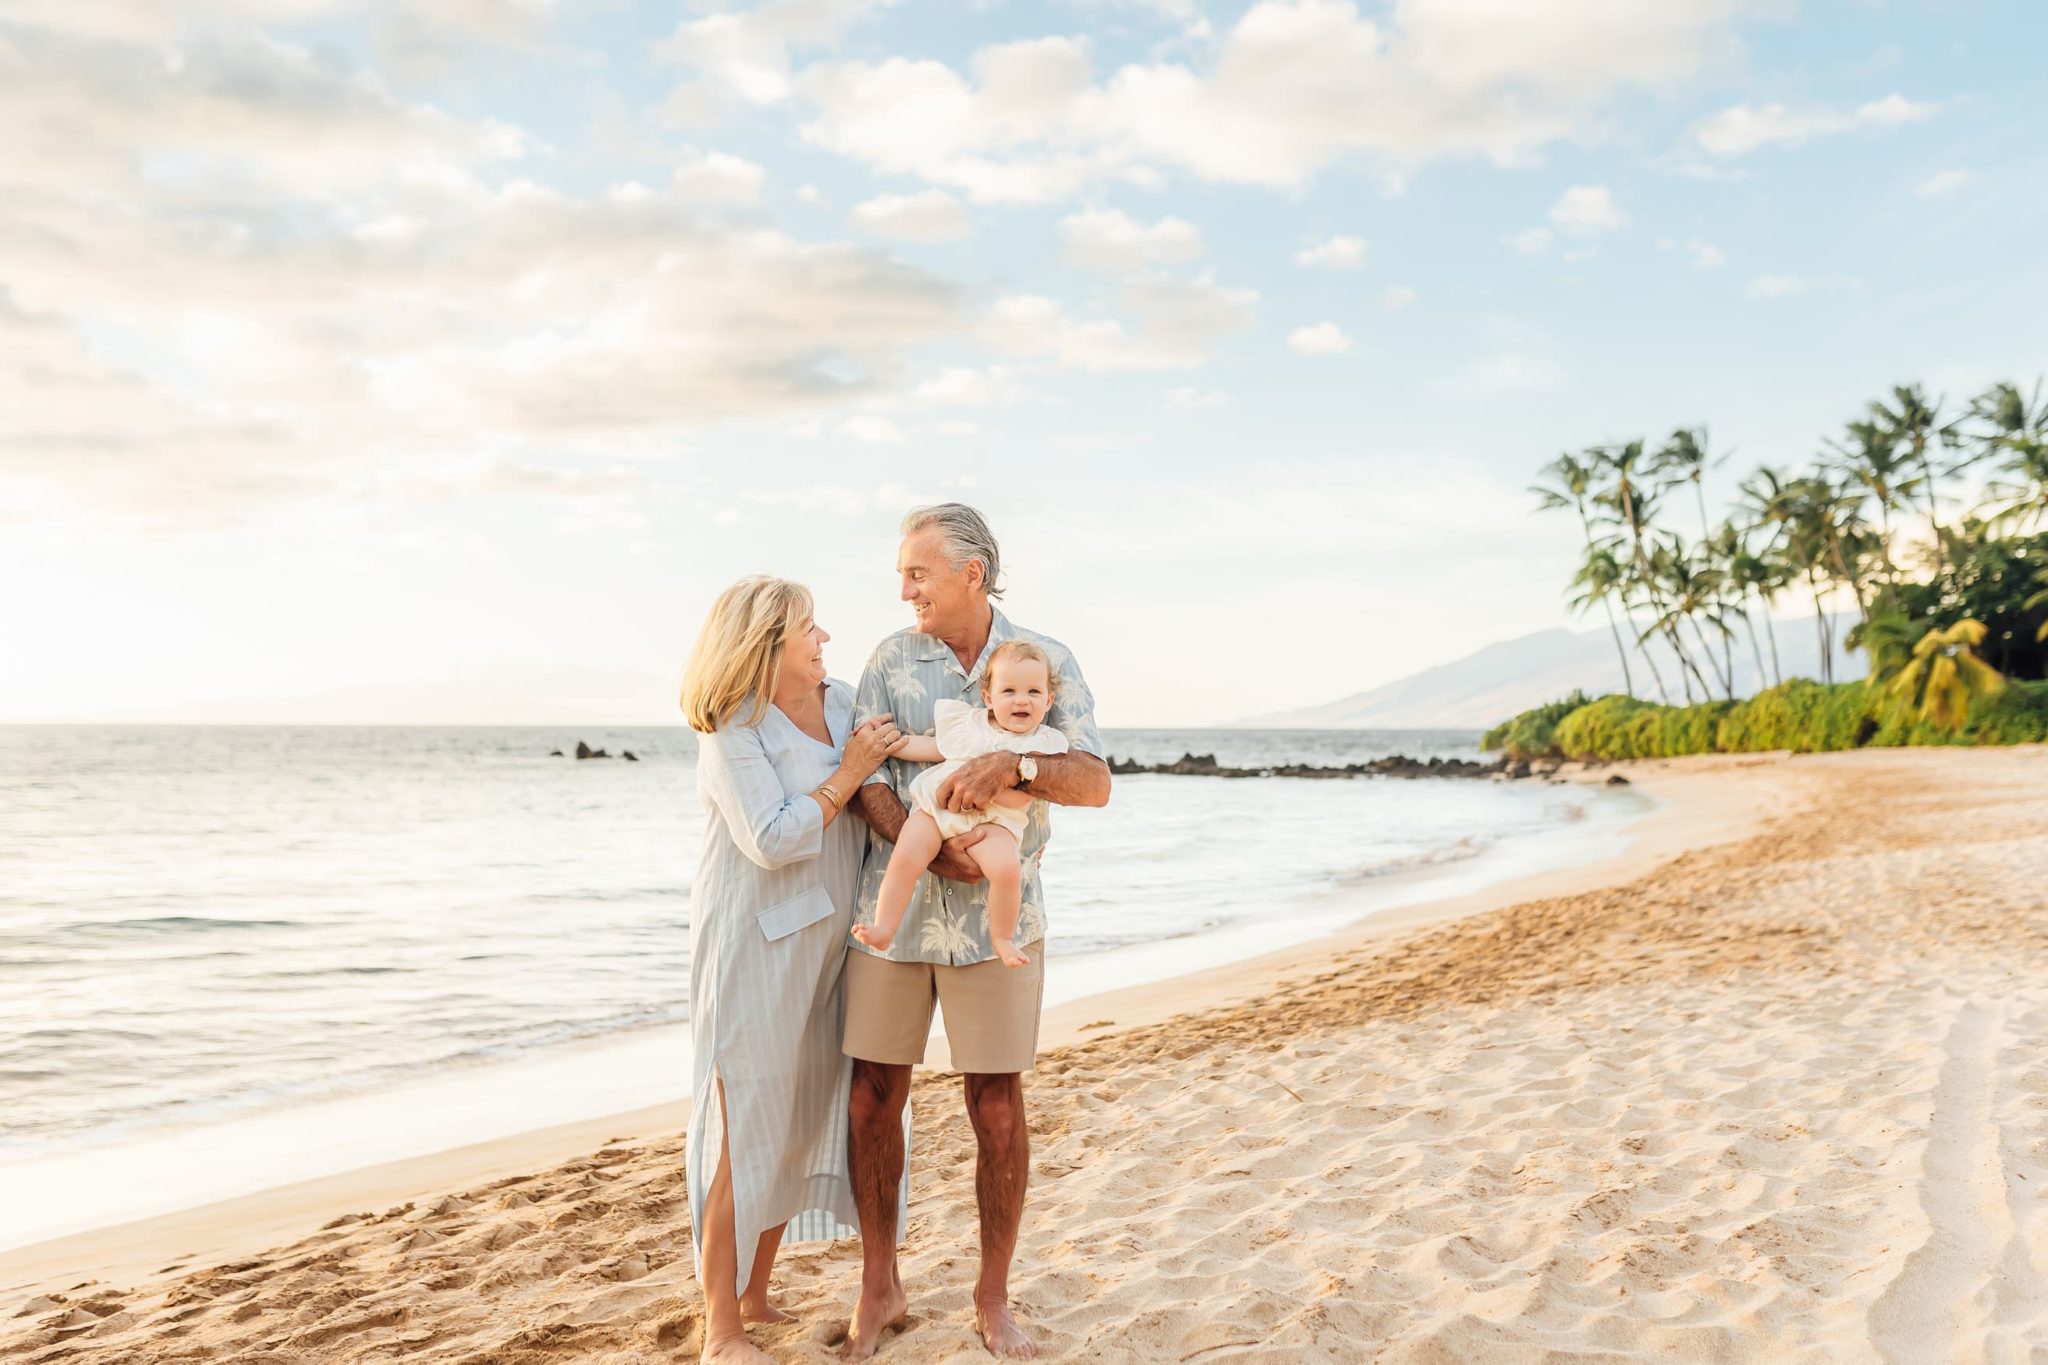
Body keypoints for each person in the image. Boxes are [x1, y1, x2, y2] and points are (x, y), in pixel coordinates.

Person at [841, 505, 1112, 1361]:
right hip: (900, 911)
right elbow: (868, 774)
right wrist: (921, 846)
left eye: (917, 572)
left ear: (972, 573)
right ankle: (879, 1285)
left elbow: (1096, 779)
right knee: (871, 1099)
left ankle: (993, 1298)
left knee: (995, 1109)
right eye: (902, 574)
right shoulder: (889, 658)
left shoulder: (1046, 660)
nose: (904, 588)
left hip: (1003, 924)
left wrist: (1018, 764)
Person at [679, 576, 905, 1364]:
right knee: (751, 1133)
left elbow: (894, 759)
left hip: (832, 941)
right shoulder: (732, 728)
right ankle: (722, 1330)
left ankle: (755, 1291)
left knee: (802, 1115)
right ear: (766, 645)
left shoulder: (842, 701)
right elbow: (772, 837)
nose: (825, 639)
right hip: (756, 951)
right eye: (810, 628)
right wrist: (846, 775)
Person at [851, 640, 1068, 969]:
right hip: (935, 810)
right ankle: (884, 927)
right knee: (905, 857)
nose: (1021, 699)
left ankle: (1003, 938)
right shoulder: (970, 725)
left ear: (1048, 700)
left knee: (1006, 869)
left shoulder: (1043, 744)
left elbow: (1025, 794)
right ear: (989, 699)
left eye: (1034, 692)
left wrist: (987, 790)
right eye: (1008, 690)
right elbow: (934, 748)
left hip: (993, 824)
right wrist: (891, 744)